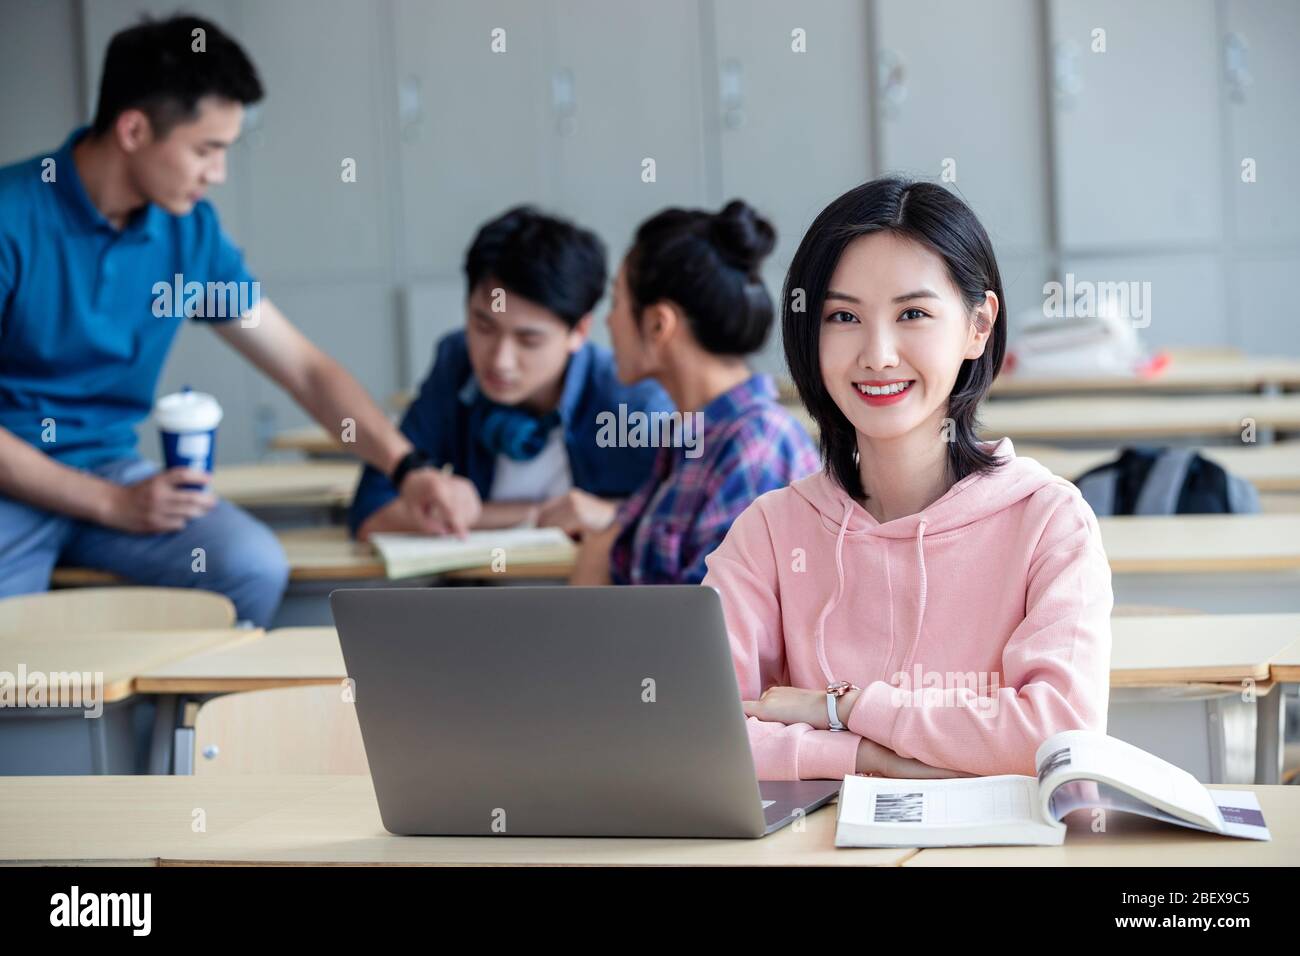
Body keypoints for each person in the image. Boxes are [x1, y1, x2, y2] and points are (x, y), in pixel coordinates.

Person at [0, 15, 478, 626]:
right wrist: (108, 503)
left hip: (111, 468)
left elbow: (304, 370)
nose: (218, 174)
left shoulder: (188, 233)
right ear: (134, 129)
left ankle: (175, 725)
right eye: (206, 150)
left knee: (249, 566)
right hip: (18, 483)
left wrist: (406, 469)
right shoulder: (14, 216)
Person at [701, 179, 1113, 780]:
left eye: (913, 313)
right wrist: (868, 756)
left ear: (978, 325)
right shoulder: (770, 531)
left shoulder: (1048, 521)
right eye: (844, 316)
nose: (878, 354)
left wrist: (838, 707)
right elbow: (700, 731)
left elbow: (1055, 737)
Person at [349, 206, 672, 540]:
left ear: (579, 331)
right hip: (483, 589)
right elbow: (372, 509)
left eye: (529, 340)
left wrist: (609, 513)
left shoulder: (632, 401)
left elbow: (693, 523)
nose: (500, 361)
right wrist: (532, 515)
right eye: (483, 326)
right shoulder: (457, 366)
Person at [570, 200, 819, 586]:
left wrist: (600, 550)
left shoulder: (755, 446)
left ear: (657, 324)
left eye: (617, 301)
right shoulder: (692, 438)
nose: (609, 320)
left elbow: (702, 633)